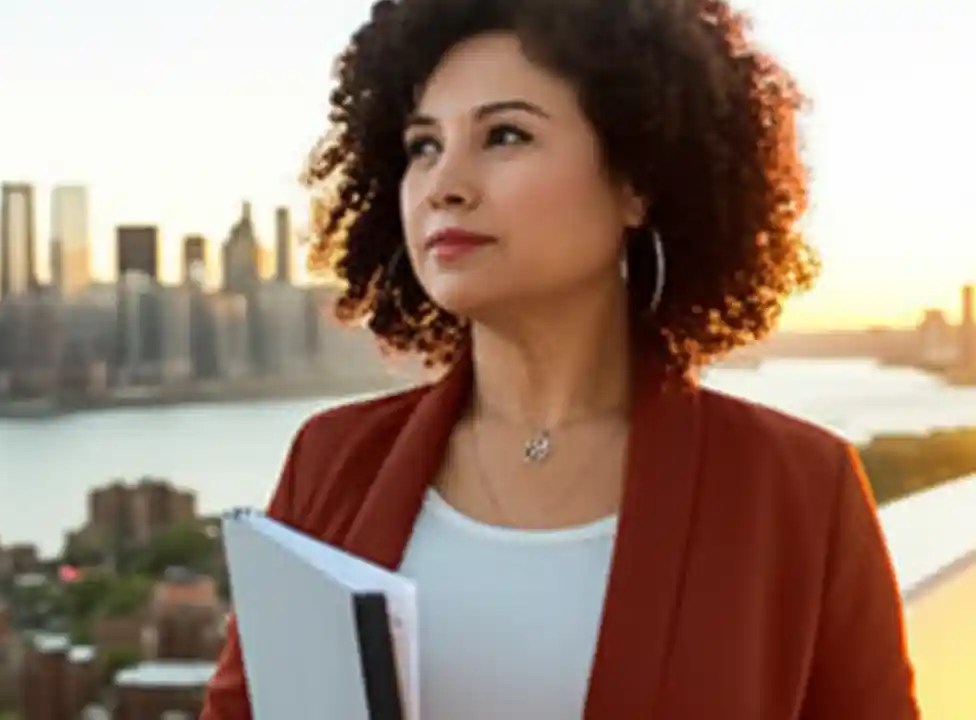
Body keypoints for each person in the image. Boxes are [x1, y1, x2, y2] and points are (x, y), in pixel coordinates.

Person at [202, 0, 919, 717]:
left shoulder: (798, 490)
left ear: (636, 182)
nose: (444, 184)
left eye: (505, 135)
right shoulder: (331, 463)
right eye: (423, 146)